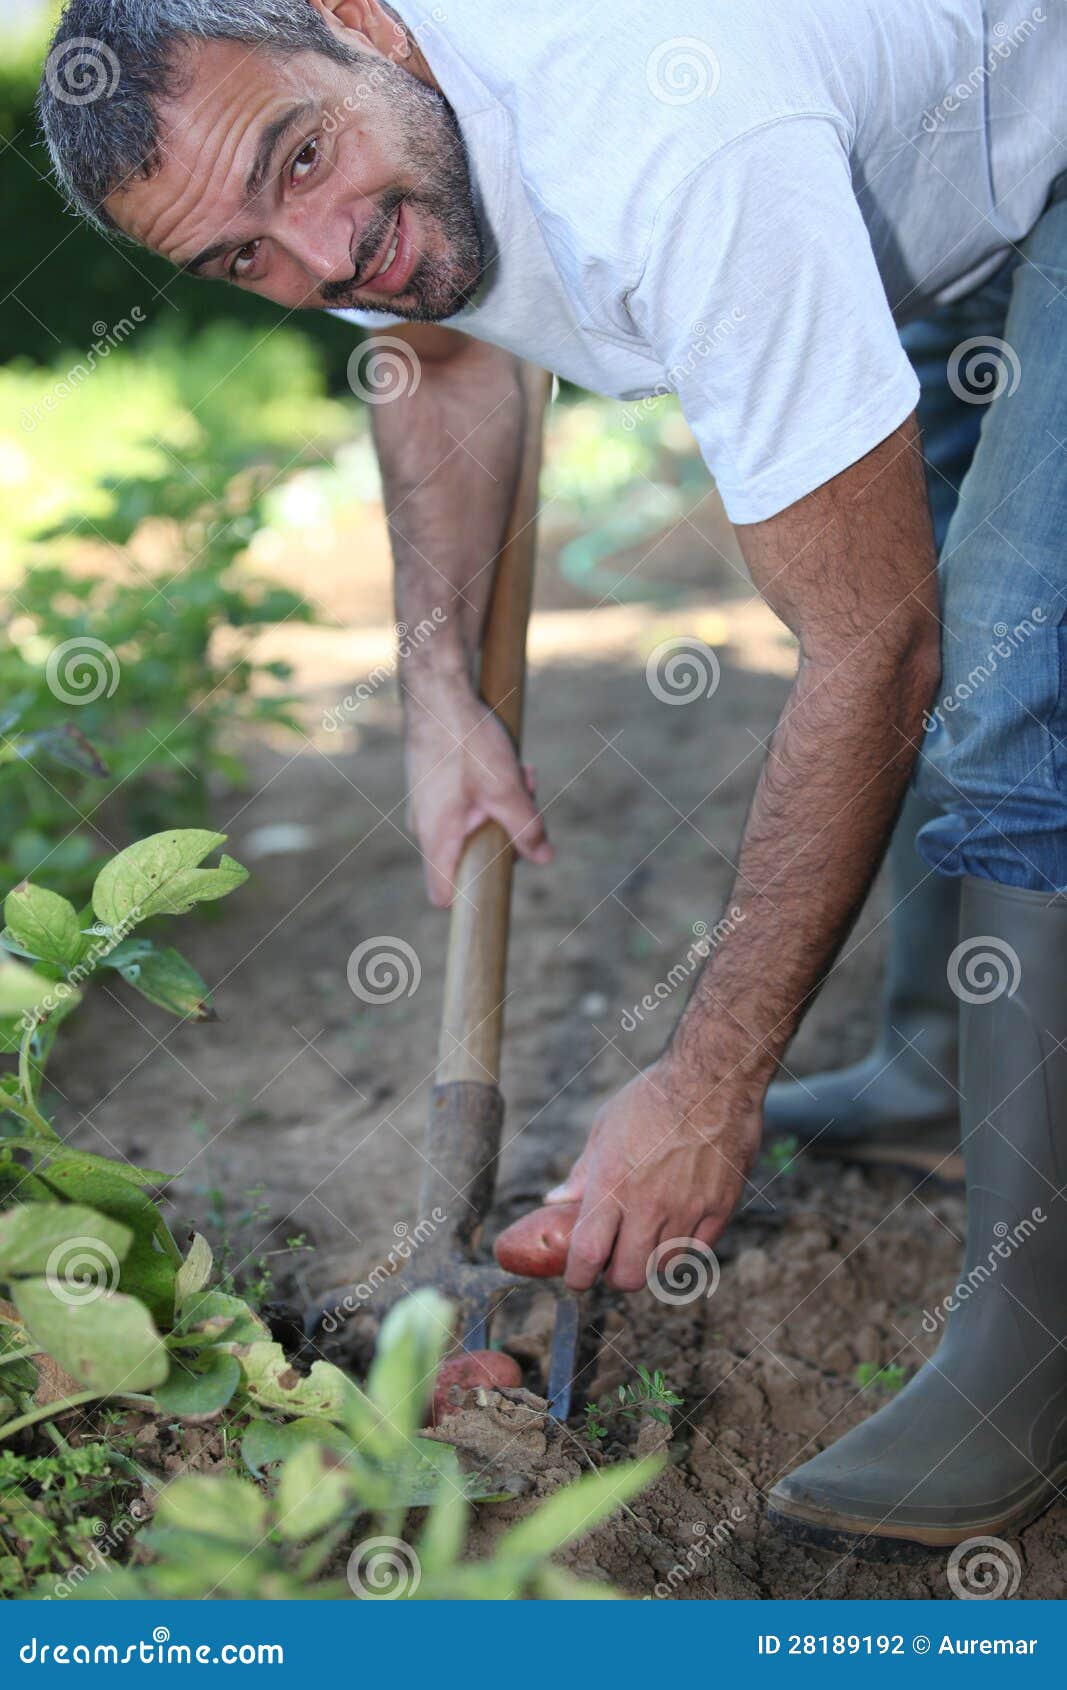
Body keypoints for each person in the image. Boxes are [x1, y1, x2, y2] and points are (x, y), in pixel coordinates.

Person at [39, 0, 1067, 1550]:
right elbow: (442, 353)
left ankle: (1028, 1358)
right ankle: (936, 1065)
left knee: (1002, 675)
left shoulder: (664, 136)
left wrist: (708, 1080)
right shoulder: (322, 163)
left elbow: (877, 650)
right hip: (920, 166)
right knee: (919, 508)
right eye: (241, 257)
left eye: (301, 161)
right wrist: (438, 690)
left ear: (357, 21)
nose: (317, 258)